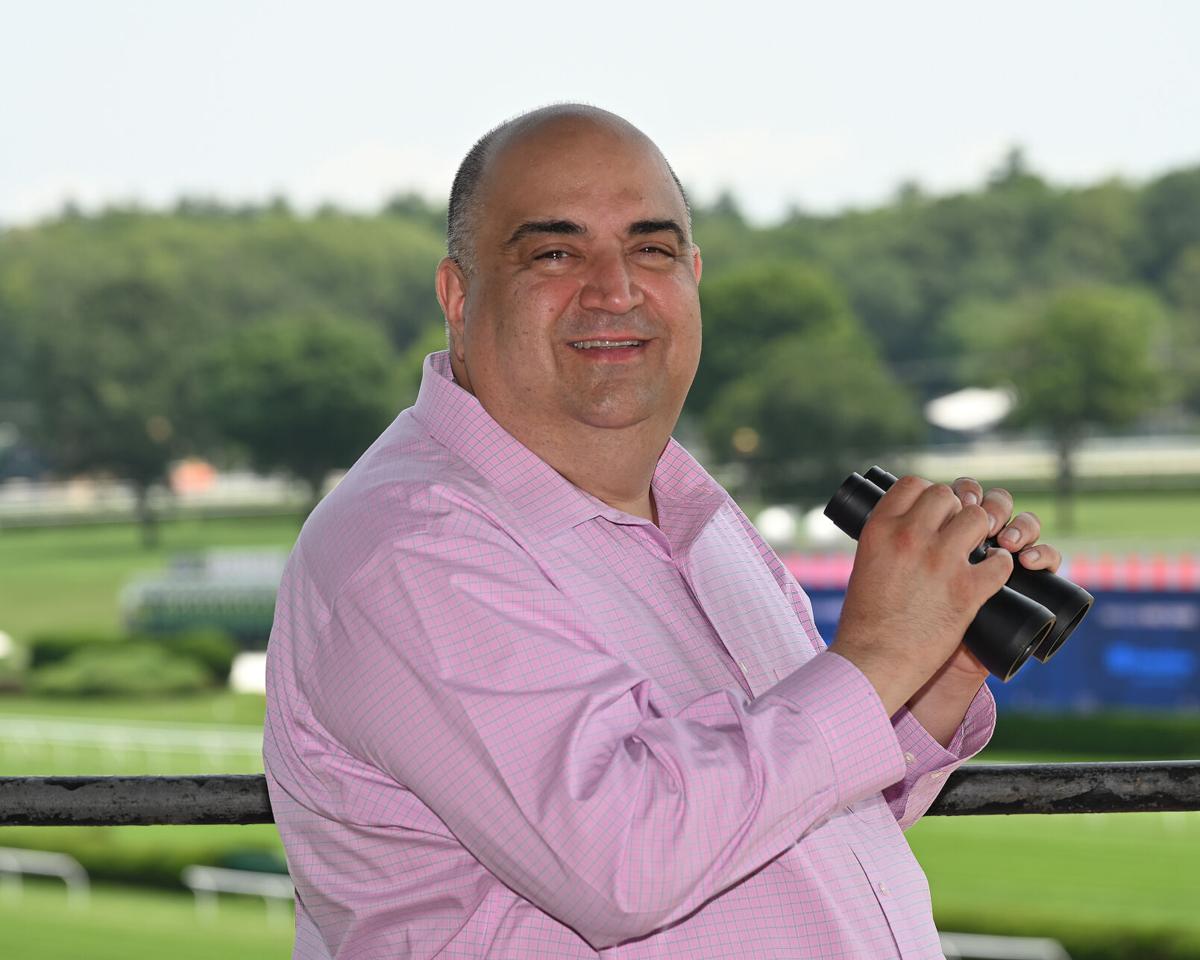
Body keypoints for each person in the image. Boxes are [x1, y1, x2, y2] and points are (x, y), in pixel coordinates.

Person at [263, 104, 1062, 959]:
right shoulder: (413, 546)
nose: (615, 291)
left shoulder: (693, 516)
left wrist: (935, 669)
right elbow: (627, 864)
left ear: (693, 275)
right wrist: (875, 661)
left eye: (652, 249)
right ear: (458, 297)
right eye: (555, 253)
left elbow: (793, 822)